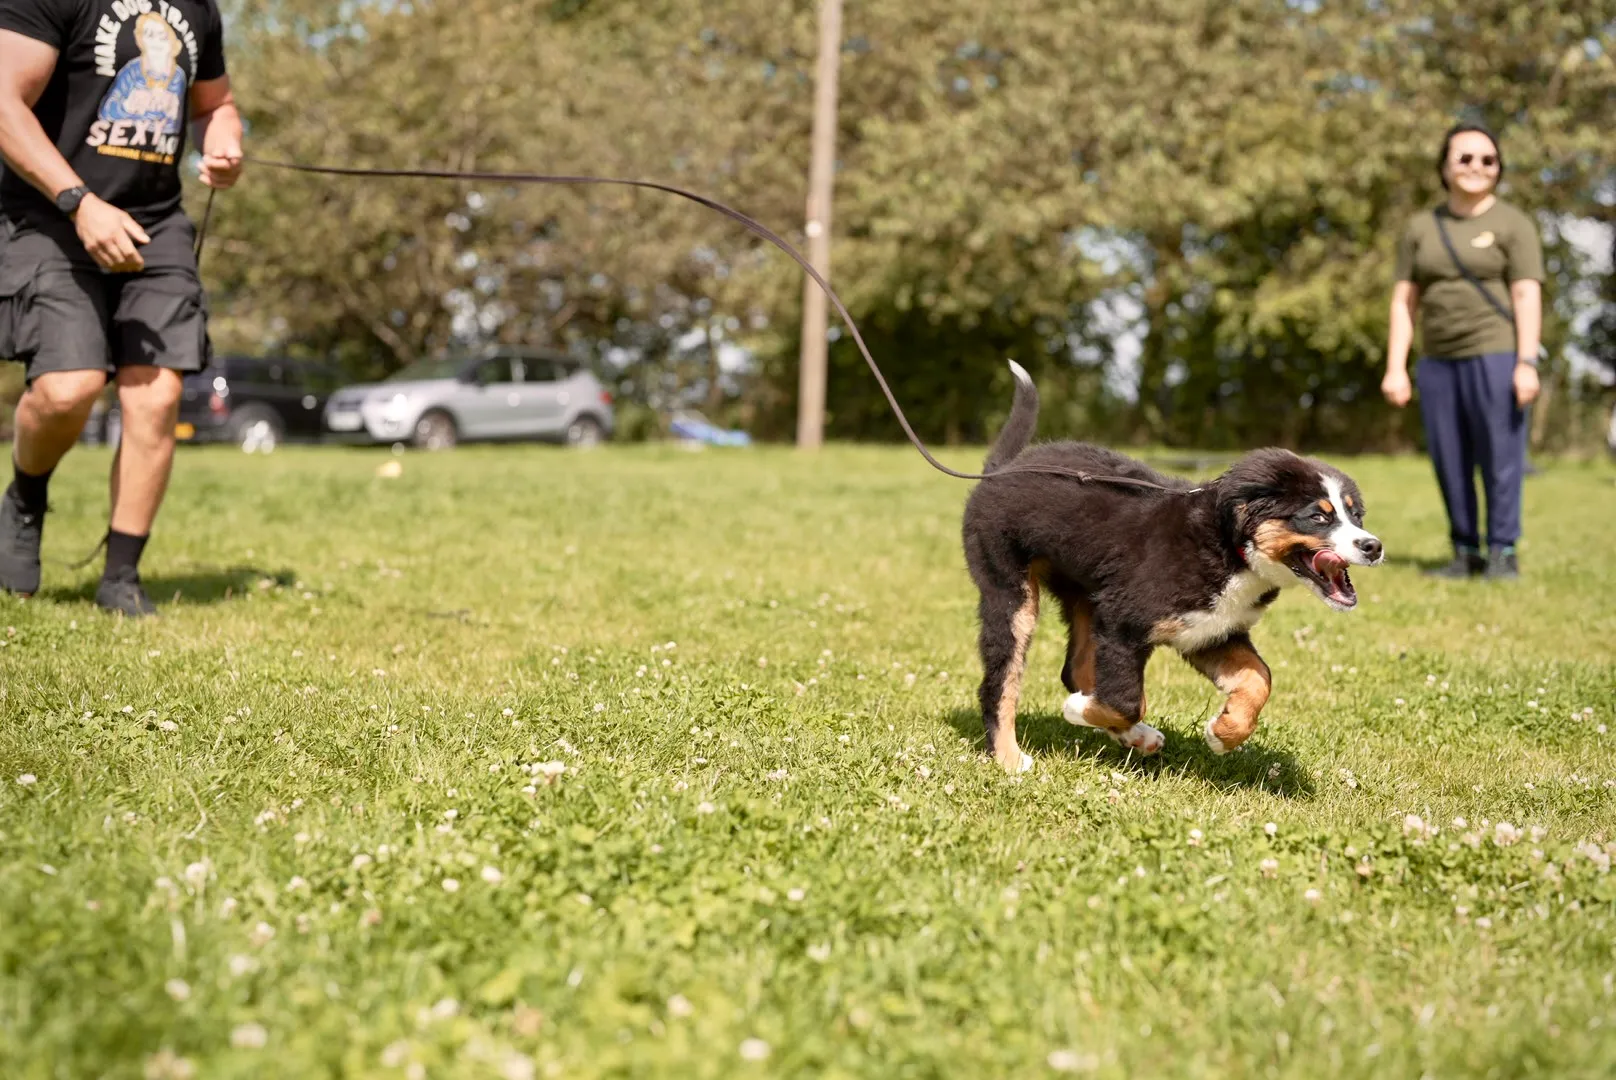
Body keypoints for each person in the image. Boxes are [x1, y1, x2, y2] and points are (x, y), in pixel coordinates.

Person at [0, 0, 242, 615]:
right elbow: (4, 106)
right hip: (49, 214)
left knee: (156, 397)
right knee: (69, 387)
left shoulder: (198, 8)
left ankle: (120, 578)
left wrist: (222, 139)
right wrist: (79, 202)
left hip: (156, 224)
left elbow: (214, 103)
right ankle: (26, 497)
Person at [1381, 122, 1544, 580]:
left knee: (1500, 456)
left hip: (1496, 353)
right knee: (1449, 458)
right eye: (1466, 158)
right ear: (1445, 166)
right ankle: (1465, 550)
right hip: (1436, 361)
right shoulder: (1421, 227)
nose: (1477, 167)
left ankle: (1503, 552)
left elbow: (1527, 295)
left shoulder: (1514, 224)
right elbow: (1403, 300)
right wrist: (1397, 366)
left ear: (1498, 168)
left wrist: (1526, 362)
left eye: (1488, 160)